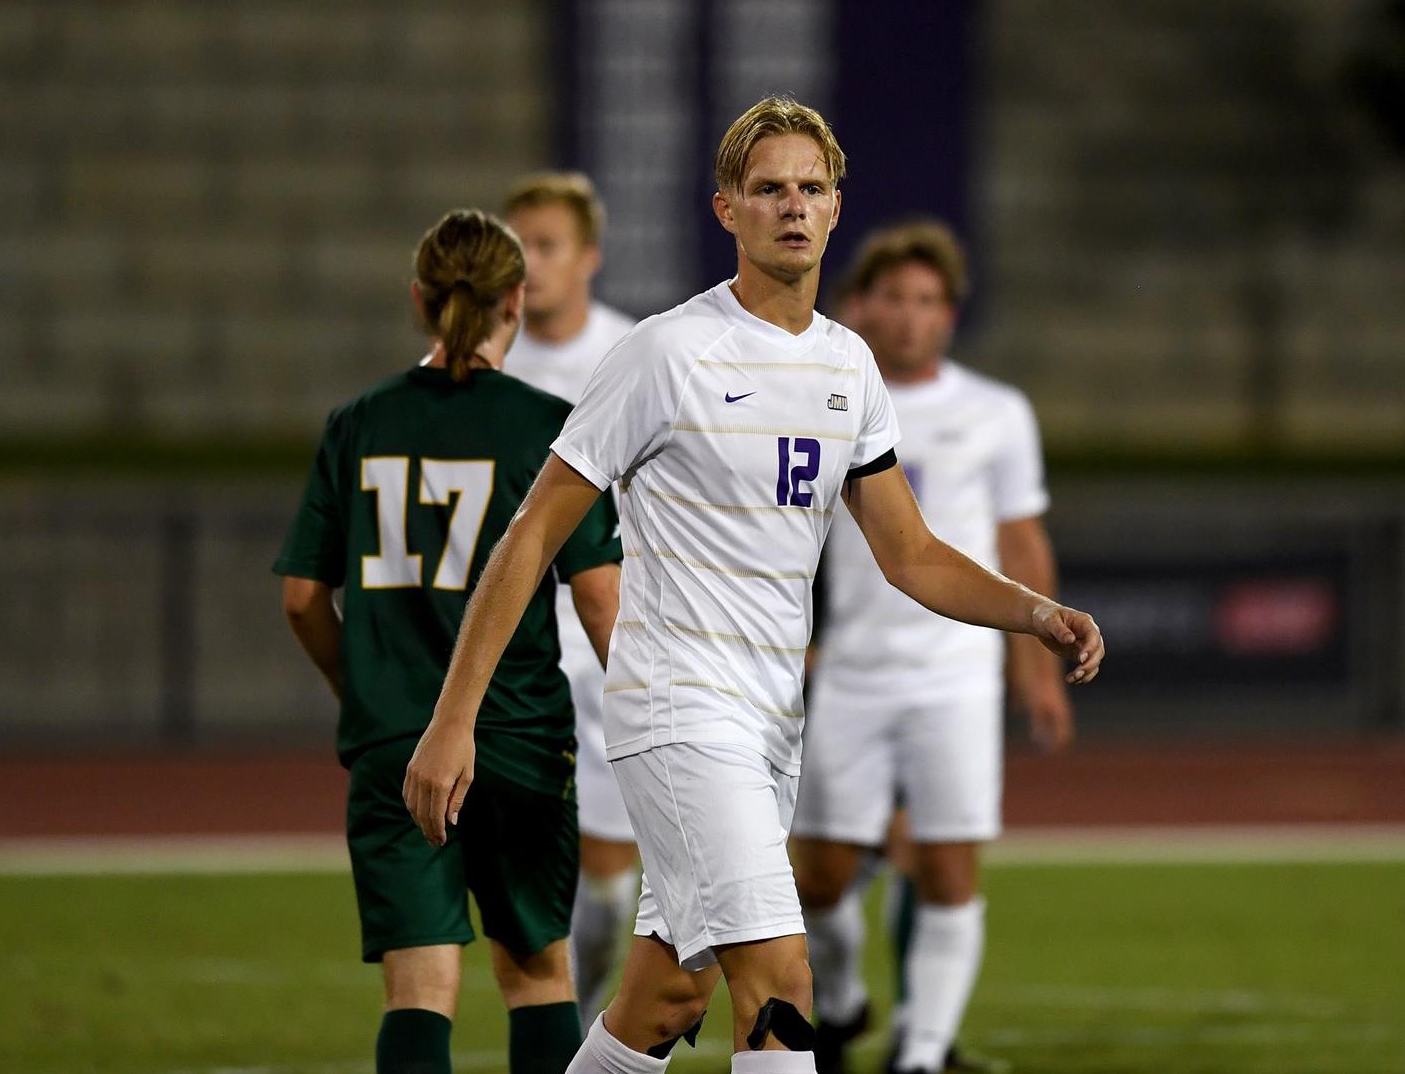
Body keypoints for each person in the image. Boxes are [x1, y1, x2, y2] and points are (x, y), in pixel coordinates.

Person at [400, 95, 1105, 1074]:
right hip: (680, 712)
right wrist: (452, 719)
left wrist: (1037, 614)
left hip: (773, 721)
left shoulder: (847, 366)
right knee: (782, 983)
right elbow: (528, 537)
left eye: (811, 188)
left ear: (835, 206)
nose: (793, 205)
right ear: (725, 207)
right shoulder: (665, 352)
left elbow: (913, 554)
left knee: (666, 994)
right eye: (768, 187)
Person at [274, 209, 625, 1074]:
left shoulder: (357, 422)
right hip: (518, 735)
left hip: (397, 741)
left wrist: (358, 689)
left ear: (418, 301)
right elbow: (600, 602)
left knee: (419, 989)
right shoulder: (549, 424)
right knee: (539, 973)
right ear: (516, 299)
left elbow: (301, 598)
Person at [790, 220, 1072, 1074]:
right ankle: (839, 1003)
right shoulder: (826, 398)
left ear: (950, 313)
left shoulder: (996, 412)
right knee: (819, 881)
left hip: (956, 681)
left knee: (950, 872)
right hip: (850, 677)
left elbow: (1020, 548)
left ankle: (920, 1052)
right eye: (894, 299)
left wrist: (1038, 670)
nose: (910, 317)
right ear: (860, 305)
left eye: (927, 301)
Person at [502, 171, 643, 1020]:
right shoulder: (479, 353)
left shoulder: (634, 355)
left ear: (588, 256)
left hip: (603, 631)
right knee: (515, 864)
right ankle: (551, 1027)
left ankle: (585, 1017)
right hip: (506, 640)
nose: (529, 265)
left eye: (547, 246)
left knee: (604, 863)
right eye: (517, 247)